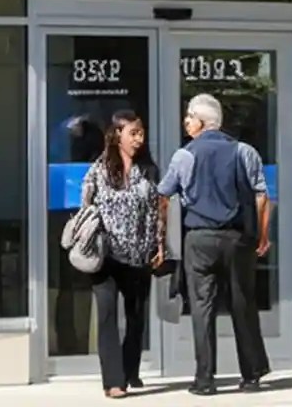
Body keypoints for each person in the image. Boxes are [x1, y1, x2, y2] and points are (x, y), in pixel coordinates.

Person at [158, 93, 272, 396]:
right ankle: (251, 376)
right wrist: (262, 234)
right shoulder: (244, 152)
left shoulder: (184, 155)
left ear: (202, 121)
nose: (185, 122)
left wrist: (163, 237)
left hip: (199, 238)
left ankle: (205, 379)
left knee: (202, 308)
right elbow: (262, 196)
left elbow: (164, 196)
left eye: (189, 117)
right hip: (237, 239)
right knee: (242, 303)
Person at [80, 110, 164, 399]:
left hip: (139, 255)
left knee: (136, 317)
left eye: (141, 133)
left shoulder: (149, 170)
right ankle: (113, 381)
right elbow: (86, 205)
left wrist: (159, 246)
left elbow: (157, 212)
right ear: (117, 135)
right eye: (133, 133)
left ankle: (130, 371)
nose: (139, 139)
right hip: (106, 256)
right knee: (106, 315)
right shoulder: (99, 169)